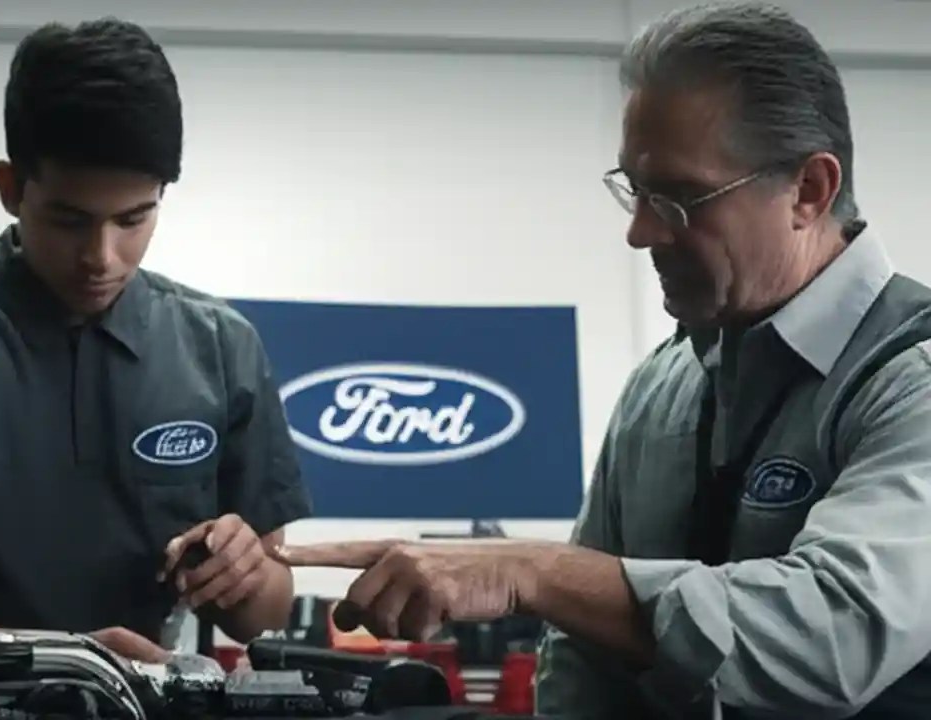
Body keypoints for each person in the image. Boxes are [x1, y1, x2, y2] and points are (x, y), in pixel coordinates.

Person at [275, 2, 931, 717]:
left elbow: (830, 639)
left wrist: (534, 569)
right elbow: (583, 655)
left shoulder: (911, 380)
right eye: (634, 189)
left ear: (809, 190)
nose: (640, 232)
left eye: (679, 198)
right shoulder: (663, 385)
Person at [0, 18, 312, 662]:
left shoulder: (221, 347)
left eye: (133, 219)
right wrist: (75, 659)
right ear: (11, 188)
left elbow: (263, 613)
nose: (102, 257)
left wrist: (246, 572)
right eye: (71, 220)